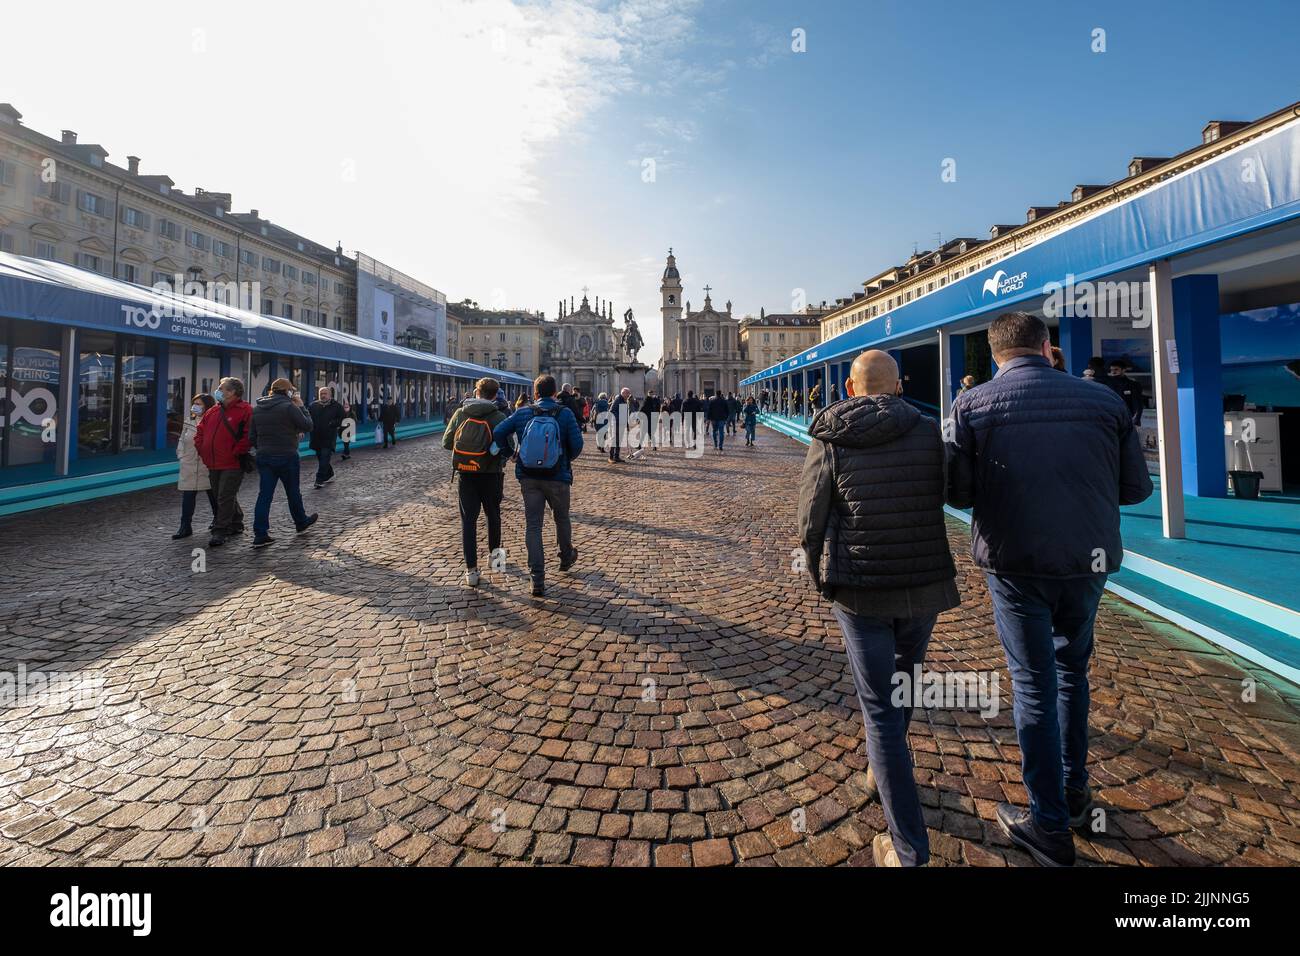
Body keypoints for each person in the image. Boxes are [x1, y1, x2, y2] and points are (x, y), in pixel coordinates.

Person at [947, 311, 1153, 867]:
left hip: (1016, 563)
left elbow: (961, 493)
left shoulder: (974, 404)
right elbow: (1136, 488)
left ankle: (1049, 823)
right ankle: (1075, 793)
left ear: (995, 356)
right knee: (1072, 674)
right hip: (1087, 561)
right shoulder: (1105, 401)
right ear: (1046, 346)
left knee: (1033, 683)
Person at [799, 349, 958, 868]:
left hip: (861, 588)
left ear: (848, 388)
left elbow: (811, 517)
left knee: (880, 713)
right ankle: (882, 770)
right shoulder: (930, 430)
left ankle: (909, 848)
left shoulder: (829, 435)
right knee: (903, 687)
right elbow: (952, 492)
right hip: (923, 584)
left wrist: (819, 570)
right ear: (897, 386)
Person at [493, 374, 583, 597]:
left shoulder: (523, 412)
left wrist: (511, 454)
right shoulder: (565, 413)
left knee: (533, 525)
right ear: (555, 393)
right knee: (561, 517)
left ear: (535, 393)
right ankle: (565, 557)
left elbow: (498, 432)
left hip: (529, 476)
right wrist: (563, 460)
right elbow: (578, 445)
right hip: (558, 477)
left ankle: (537, 578)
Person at [444, 377, 508, 587]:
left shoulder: (461, 412)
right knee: (494, 516)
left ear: (476, 392)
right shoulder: (498, 416)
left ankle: (471, 571)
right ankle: (497, 562)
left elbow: (446, 442)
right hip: (491, 474)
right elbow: (507, 446)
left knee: (468, 522)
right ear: (495, 395)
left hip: (466, 474)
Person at [249, 378, 318, 548]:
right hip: (287, 455)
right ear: (287, 391)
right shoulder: (289, 407)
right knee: (293, 492)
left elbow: (252, 436)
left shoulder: (257, 408)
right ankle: (300, 521)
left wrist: (263, 448)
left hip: (264, 456)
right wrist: (301, 407)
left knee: (264, 495)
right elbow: (308, 425)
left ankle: (260, 533)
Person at [194, 376, 253, 548]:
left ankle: (220, 530)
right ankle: (236, 521)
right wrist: (202, 448)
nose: (218, 390)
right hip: (212, 461)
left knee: (224, 495)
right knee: (222, 493)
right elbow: (200, 430)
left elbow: (248, 435)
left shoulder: (245, 410)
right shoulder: (213, 411)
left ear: (232, 392)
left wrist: (236, 452)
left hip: (232, 462)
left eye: (221, 387)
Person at [173, 393, 218, 539]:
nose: (195, 406)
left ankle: (218, 520)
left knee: (213, 494)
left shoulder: (214, 420)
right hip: (189, 462)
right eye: (195, 403)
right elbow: (182, 439)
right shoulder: (189, 420)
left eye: (199, 404)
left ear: (207, 406)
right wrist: (181, 455)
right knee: (188, 494)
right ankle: (185, 526)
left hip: (207, 463)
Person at [308, 386, 345, 489]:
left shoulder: (337, 406)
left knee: (325, 456)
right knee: (321, 458)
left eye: (325, 393)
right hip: (316, 437)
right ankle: (329, 473)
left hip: (329, 437)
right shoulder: (313, 406)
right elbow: (307, 418)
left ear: (330, 395)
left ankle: (319, 480)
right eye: (321, 394)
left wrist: (332, 423)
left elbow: (342, 418)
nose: (323, 396)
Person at [1105, 360, 1145, 424]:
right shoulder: (1106, 384)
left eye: (1116, 369)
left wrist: (1136, 420)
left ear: (1123, 370)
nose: (1113, 372)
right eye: (1111, 370)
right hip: (1110, 418)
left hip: (1127, 419)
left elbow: (1137, 404)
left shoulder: (1132, 384)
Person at [608, 387, 632, 463]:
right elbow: (611, 411)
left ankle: (616, 456)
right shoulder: (618, 400)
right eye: (628, 393)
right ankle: (611, 457)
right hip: (616, 423)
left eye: (629, 393)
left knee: (619, 441)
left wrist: (627, 425)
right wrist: (619, 418)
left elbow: (625, 414)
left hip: (622, 424)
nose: (629, 395)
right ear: (623, 393)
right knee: (614, 440)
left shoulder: (625, 401)